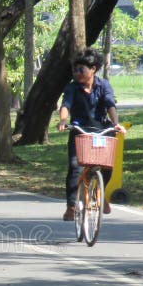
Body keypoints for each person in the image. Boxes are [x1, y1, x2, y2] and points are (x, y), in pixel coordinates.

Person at [56, 48, 126, 221]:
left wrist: (116, 123)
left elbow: (110, 104)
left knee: (107, 166)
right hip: (79, 131)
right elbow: (66, 105)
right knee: (75, 167)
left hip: (102, 130)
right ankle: (71, 207)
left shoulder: (104, 85)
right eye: (75, 69)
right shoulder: (72, 87)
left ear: (93, 69)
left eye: (82, 69)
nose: (77, 73)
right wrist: (63, 121)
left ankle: (99, 194)